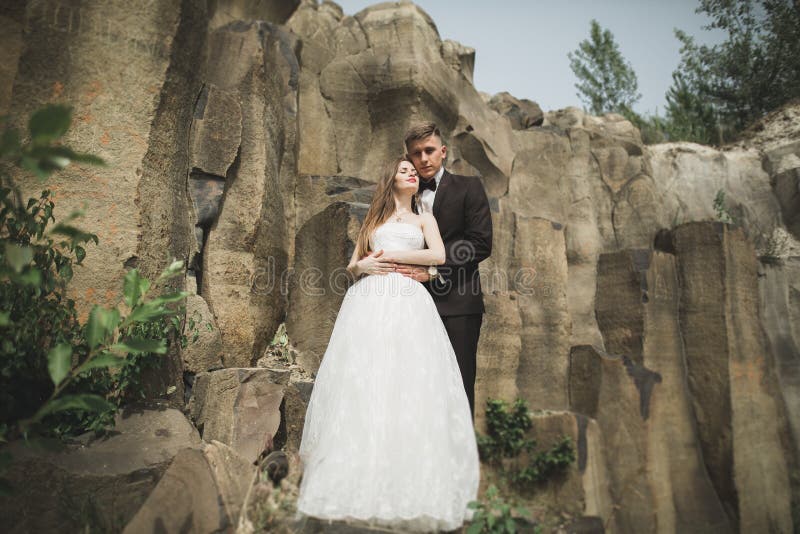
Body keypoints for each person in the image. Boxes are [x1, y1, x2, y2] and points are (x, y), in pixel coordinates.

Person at [294, 157, 480, 532]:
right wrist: (362, 267)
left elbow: (438, 256)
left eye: (414, 170)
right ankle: (357, 485)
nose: (412, 173)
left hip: (409, 302)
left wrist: (391, 257)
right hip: (368, 302)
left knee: (408, 383)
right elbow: (353, 265)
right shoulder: (374, 221)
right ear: (391, 180)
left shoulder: (424, 217)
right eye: (404, 170)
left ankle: (409, 486)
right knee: (366, 382)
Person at [394, 122, 493, 420]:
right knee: (414, 387)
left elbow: (479, 244)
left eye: (429, 151)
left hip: (458, 304)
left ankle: (460, 464)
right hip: (408, 305)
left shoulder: (469, 187)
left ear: (443, 152)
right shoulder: (400, 195)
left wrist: (434, 272)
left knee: (458, 388)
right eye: (416, 153)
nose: (423, 158)